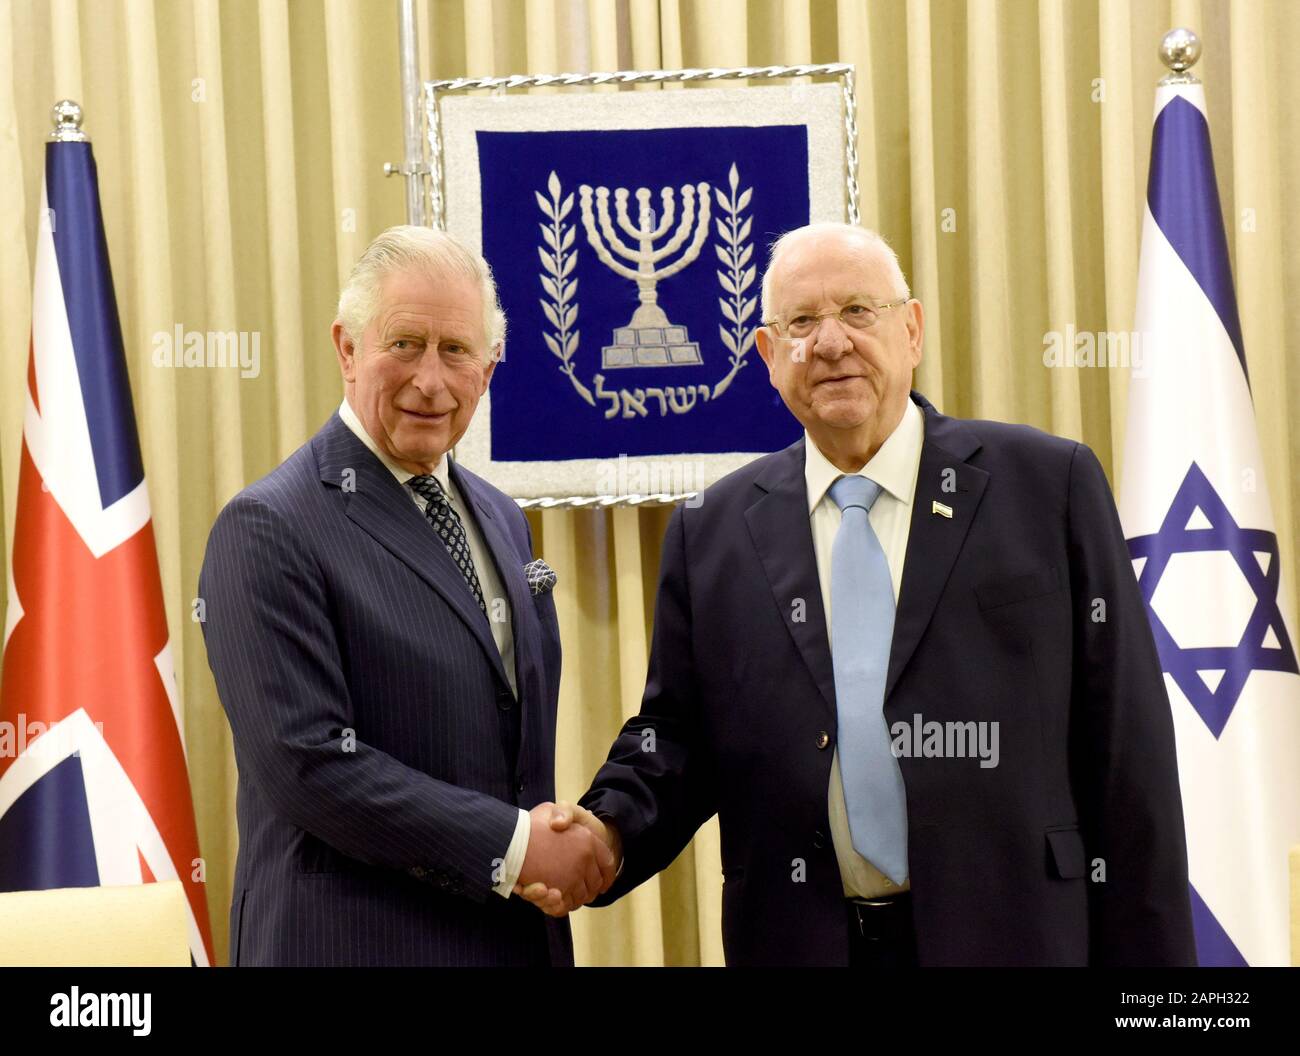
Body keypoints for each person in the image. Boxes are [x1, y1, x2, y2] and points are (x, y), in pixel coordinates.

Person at [523, 221, 1197, 967]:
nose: (832, 342)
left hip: (1019, 937)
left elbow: (1127, 755)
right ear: (768, 356)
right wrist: (604, 831)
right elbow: (676, 738)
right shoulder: (712, 532)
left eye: (857, 311)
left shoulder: (1048, 486)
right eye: (802, 322)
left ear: (910, 329)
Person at [199, 225, 613, 966]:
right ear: (347, 349)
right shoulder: (267, 526)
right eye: (405, 344)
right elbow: (309, 764)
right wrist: (519, 849)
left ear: (488, 369)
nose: (431, 380)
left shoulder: (501, 519)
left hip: (512, 944)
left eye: (456, 350)